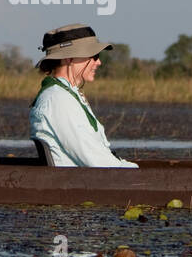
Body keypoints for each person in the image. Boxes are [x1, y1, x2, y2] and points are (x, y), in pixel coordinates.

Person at [29, 24, 137, 168]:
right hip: (77, 185)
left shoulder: (66, 95)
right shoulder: (58, 100)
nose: (98, 62)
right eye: (93, 56)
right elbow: (95, 161)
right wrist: (136, 172)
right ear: (69, 58)